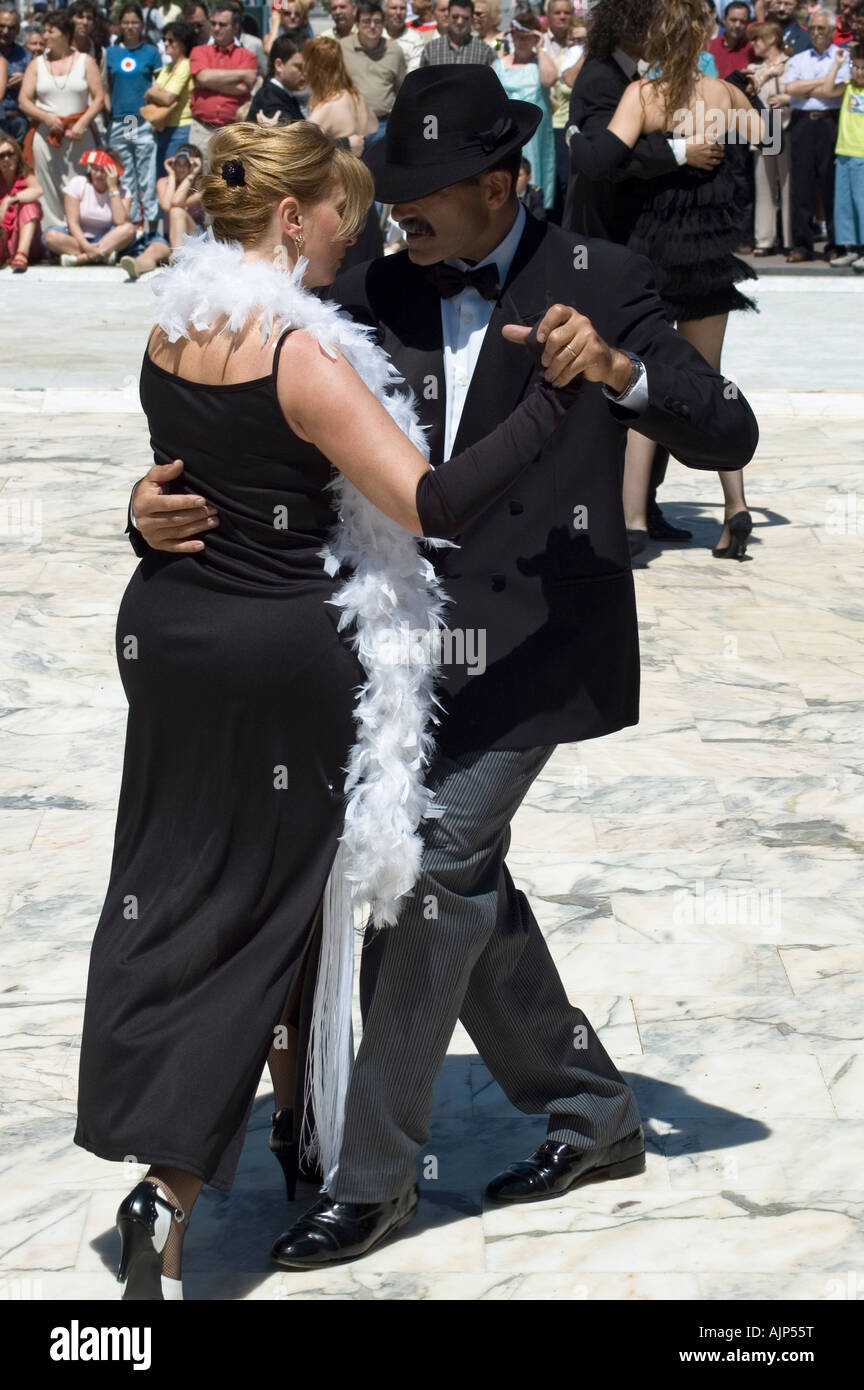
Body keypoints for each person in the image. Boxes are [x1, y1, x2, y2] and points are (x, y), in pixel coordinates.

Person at [132, 65, 758, 1268]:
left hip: (538, 644)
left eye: (422, 204)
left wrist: (624, 375)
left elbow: (726, 425)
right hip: (390, 655)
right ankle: (593, 1114)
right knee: (465, 894)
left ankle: (373, 1180)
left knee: (431, 870)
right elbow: (251, 444)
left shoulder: (603, 279)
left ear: (498, 184)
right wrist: (143, 509)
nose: (393, 222)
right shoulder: (362, 291)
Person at [75, 116, 587, 1300]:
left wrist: (134, 517)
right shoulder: (299, 353)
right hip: (278, 656)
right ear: (292, 216)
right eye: (340, 223)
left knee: (184, 879)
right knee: (267, 915)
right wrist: (548, 408)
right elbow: (426, 498)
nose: (344, 249)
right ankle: (171, 1182)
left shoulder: (173, 322)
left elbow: (185, 484)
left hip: (171, 633)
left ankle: (303, 1132)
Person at [568, 0, 760, 560]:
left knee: (641, 380)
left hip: (653, 256)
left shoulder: (642, 95)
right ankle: (736, 505)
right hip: (711, 260)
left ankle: (632, 520)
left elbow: (600, 159)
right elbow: (761, 129)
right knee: (710, 380)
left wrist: (578, 139)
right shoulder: (721, 94)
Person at [18, 8, 104, 228]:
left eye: (50, 31)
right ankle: (51, 236)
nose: (45, 36)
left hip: (79, 135)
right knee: (47, 188)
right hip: (46, 138)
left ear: (65, 34)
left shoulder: (86, 61)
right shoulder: (36, 64)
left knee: (80, 184)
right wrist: (45, 117)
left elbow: (99, 98)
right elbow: (24, 100)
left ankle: (82, 233)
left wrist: (83, 122)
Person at [784, 8, 850, 260]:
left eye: (821, 28)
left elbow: (836, 91)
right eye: (812, 28)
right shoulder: (799, 59)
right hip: (802, 125)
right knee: (801, 186)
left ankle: (836, 244)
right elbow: (791, 87)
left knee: (832, 185)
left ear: (832, 31)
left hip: (830, 124)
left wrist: (807, 88)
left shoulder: (841, 56)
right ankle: (802, 245)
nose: (816, 33)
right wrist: (821, 83)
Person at [105, 6, 162, 228]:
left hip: (143, 121)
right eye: (126, 22)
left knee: (147, 174)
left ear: (142, 24)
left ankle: (152, 225)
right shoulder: (110, 53)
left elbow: (159, 85)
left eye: (134, 22)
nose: (130, 27)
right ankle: (132, 226)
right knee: (126, 175)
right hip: (120, 121)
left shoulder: (151, 52)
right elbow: (104, 86)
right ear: (120, 25)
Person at [494, 13, 557, 210]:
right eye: (518, 36)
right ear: (511, 36)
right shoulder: (498, 65)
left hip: (535, 137)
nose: (521, 41)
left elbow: (549, 80)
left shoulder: (539, 63)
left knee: (535, 183)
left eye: (526, 36)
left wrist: (540, 48)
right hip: (508, 134)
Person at [119, 139, 203, 275]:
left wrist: (191, 176)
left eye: (186, 164)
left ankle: (177, 256)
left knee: (176, 211)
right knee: (153, 250)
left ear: (194, 165)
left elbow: (176, 202)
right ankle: (137, 266)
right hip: (168, 236)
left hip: (193, 236)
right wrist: (171, 175)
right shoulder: (164, 182)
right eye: (178, 163)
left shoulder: (202, 186)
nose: (180, 168)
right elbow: (165, 205)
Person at [188, 0, 256, 159]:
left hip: (232, 130)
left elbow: (244, 88)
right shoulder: (199, 51)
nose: (216, 28)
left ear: (235, 28)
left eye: (222, 25)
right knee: (199, 179)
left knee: (230, 180)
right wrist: (240, 74)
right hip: (202, 129)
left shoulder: (247, 56)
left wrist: (209, 82)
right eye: (213, 23)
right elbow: (202, 77)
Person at [43, 146, 136, 263]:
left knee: (129, 229)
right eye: (95, 169)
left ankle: (83, 259)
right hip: (77, 238)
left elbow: (120, 221)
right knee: (51, 236)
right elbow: (73, 223)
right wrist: (86, 246)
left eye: (103, 170)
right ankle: (102, 255)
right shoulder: (78, 183)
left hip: (108, 238)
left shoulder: (123, 191)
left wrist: (113, 188)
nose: (98, 174)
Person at [817, 41, 864, 267]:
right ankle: (850, 247)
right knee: (843, 203)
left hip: (862, 153)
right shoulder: (847, 86)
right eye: (855, 67)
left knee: (861, 203)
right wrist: (837, 65)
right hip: (843, 151)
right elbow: (826, 90)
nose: (859, 72)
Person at [747, 18, 792, 252]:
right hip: (764, 130)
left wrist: (786, 99)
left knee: (787, 185)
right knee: (763, 185)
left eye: (757, 38)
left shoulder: (791, 64)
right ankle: (764, 240)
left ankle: (789, 240)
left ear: (772, 39)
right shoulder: (754, 69)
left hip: (786, 127)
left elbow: (797, 92)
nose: (752, 43)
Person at [338, 0, 405, 148]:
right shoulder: (342, 48)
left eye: (377, 21)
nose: (372, 26)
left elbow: (401, 89)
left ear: (384, 22)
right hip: (352, 126)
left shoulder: (394, 51)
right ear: (356, 23)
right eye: (366, 21)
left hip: (384, 125)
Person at [542, 0, 585, 221]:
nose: (562, 17)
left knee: (571, 185)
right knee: (555, 184)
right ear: (547, 15)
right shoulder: (547, 49)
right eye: (557, 12)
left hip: (574, 124)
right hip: (551, 124)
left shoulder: (582, 50)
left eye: (566, 13)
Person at [304, 35, 377, 153]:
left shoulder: (328, 106)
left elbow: (303, 147)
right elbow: (373, 130)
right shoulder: (356, 97)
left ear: (312, 67)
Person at [144, 19, 195, 175]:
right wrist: (155, 94)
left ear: (183, 44)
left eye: (171, 40)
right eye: (164, 39)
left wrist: (152, 93)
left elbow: (167, 98)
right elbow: (151, 95)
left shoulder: (186, 65)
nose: (166, 43)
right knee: (161, 176)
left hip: (181, 129)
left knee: (174, 177)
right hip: (163, 127)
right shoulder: (167, 67)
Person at [0, 130, 43, 270]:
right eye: (1, 156)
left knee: (29, 205)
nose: (6, 159)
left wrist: (9, 200)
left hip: (28, 242)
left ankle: (21, 255)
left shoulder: (26, 176)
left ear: (17, 155)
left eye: (10, 154)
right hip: (4, 240)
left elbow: (38, 190)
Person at [246, 32, 305, 123]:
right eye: (300, 67)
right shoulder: (272, 104)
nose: (306, 72)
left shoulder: (280, 95)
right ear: (279, 65)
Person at [420, 0, 495, 65]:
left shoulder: (485, 51)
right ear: (448, 16)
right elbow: (421, 80)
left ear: (472, 19)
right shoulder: (431, 49)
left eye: (465, 18)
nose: (460, 22)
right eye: (455, 16)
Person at [0, 5, 31, 143]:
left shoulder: (26, 56)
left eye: (11, 28)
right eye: (1, 26)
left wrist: (26, 80)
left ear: (18, 29)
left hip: (19, 121)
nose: (5, 31)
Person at [708, 1, 756, 77]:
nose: (737, 25)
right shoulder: (709, 47)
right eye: (733, 20)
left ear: (748, 22)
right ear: (724, 20)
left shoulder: (753, 49)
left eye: (742, 21)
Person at [383, 0, 425, 72]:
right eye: (393, 8)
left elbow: (413, 73)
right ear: (384, 11)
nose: (398, 12)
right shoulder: (375, 36)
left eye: (402, 8)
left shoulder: (416, 39)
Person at [515, 150, 544, 216]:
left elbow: (539, 217)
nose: (515, 179)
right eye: (514, 175)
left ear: (528, 178)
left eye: (519, 175)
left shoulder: (535, 194)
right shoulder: (504, 194)